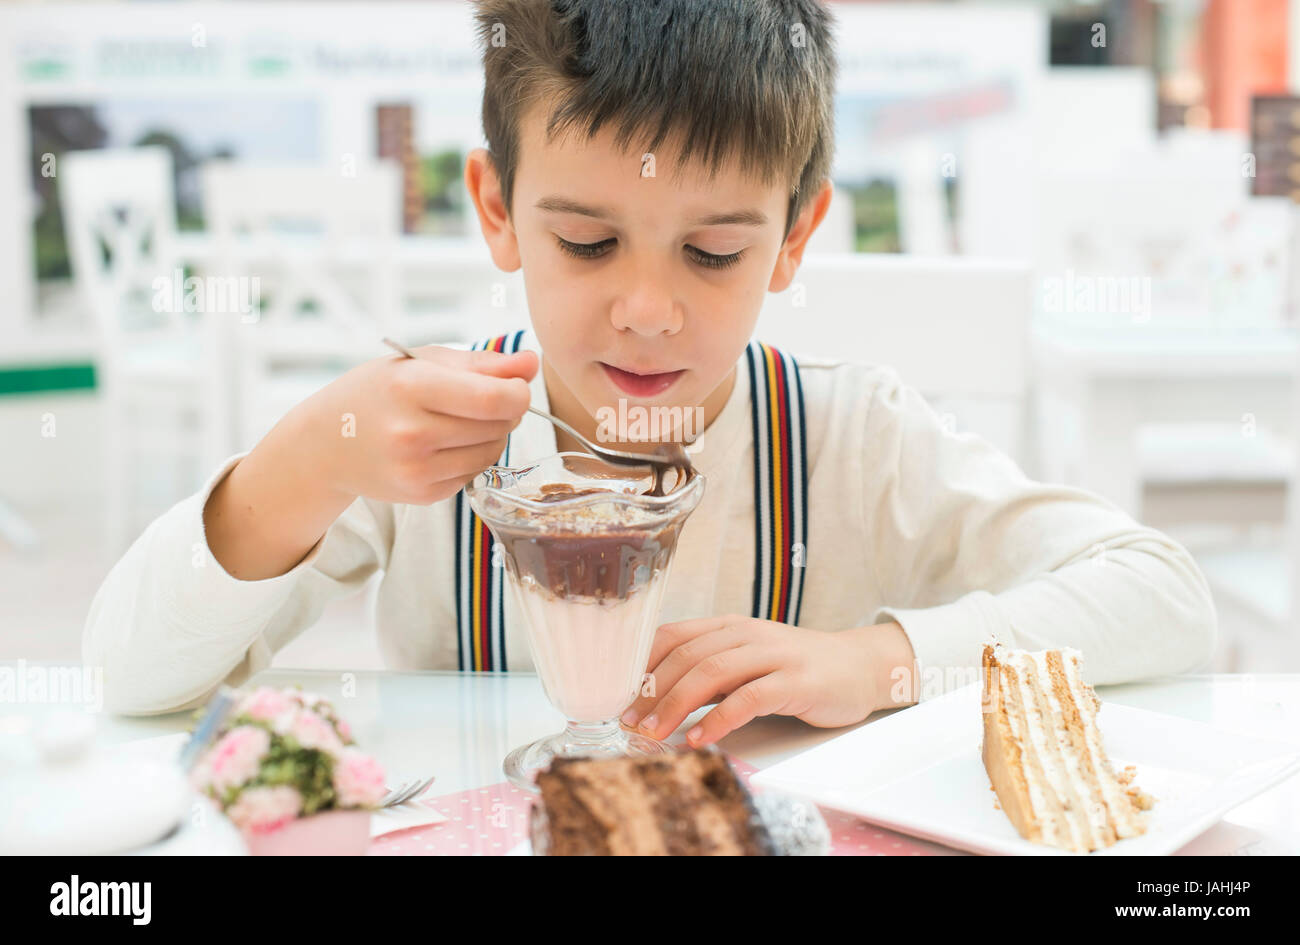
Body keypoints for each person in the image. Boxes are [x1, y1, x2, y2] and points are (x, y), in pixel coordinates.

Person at [84, 0, 1216, 751]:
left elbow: (1161, 597)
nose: (645, 311)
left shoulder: (848, 436)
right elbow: (135, 679)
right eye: (585, 242)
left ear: (793, 236)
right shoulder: (427, 443)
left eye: (714, 252)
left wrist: (881, 661)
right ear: (496, 208)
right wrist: (302, 458)